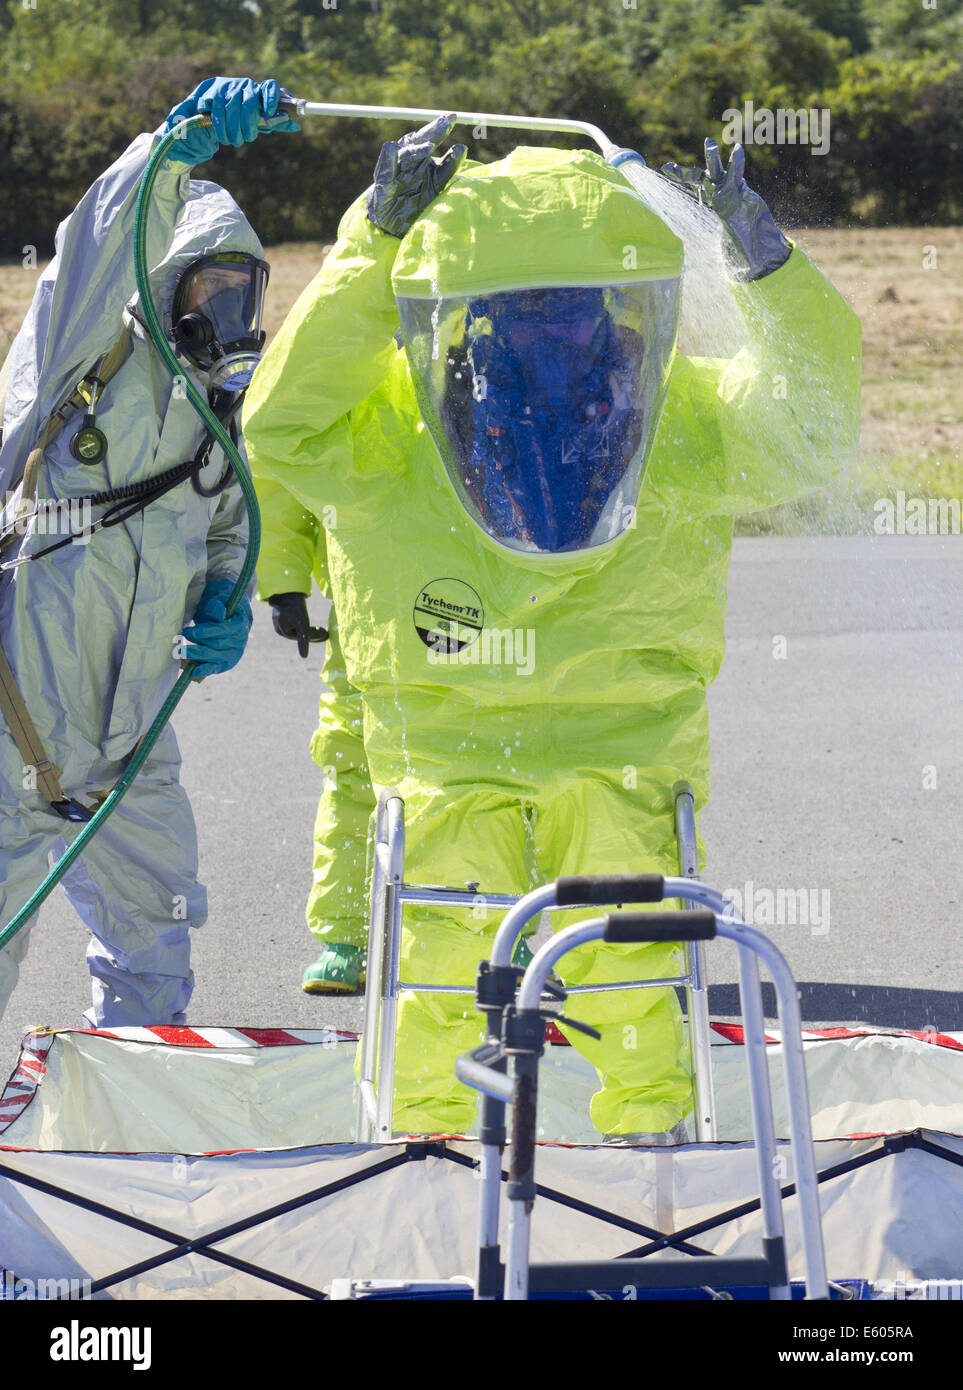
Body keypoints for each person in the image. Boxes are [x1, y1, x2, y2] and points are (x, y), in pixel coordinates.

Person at [245, 118, 861, 1138]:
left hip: (449, 752)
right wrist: (771, 270)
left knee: (444, 981)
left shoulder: (394, 419)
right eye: (532, 313)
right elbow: (808, 432)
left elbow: (283, 425)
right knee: (635, 976)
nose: (548, 341)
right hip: (620, 754)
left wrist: (373, 239)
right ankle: (658, 1175)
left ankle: (428, 1187)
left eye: (561, 314)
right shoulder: (679, 414)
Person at [0, 76, 297, 1027]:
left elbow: (224, 523)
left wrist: (226, 601)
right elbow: (99, 239)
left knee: (155, 948)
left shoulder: (214, 407)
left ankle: (125, 1158)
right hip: (13, 728)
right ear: (162, 283)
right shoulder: (82, 349)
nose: (228, 311)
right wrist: (169, 151)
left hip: (128, 742)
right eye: (208, 286)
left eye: (243, 289)